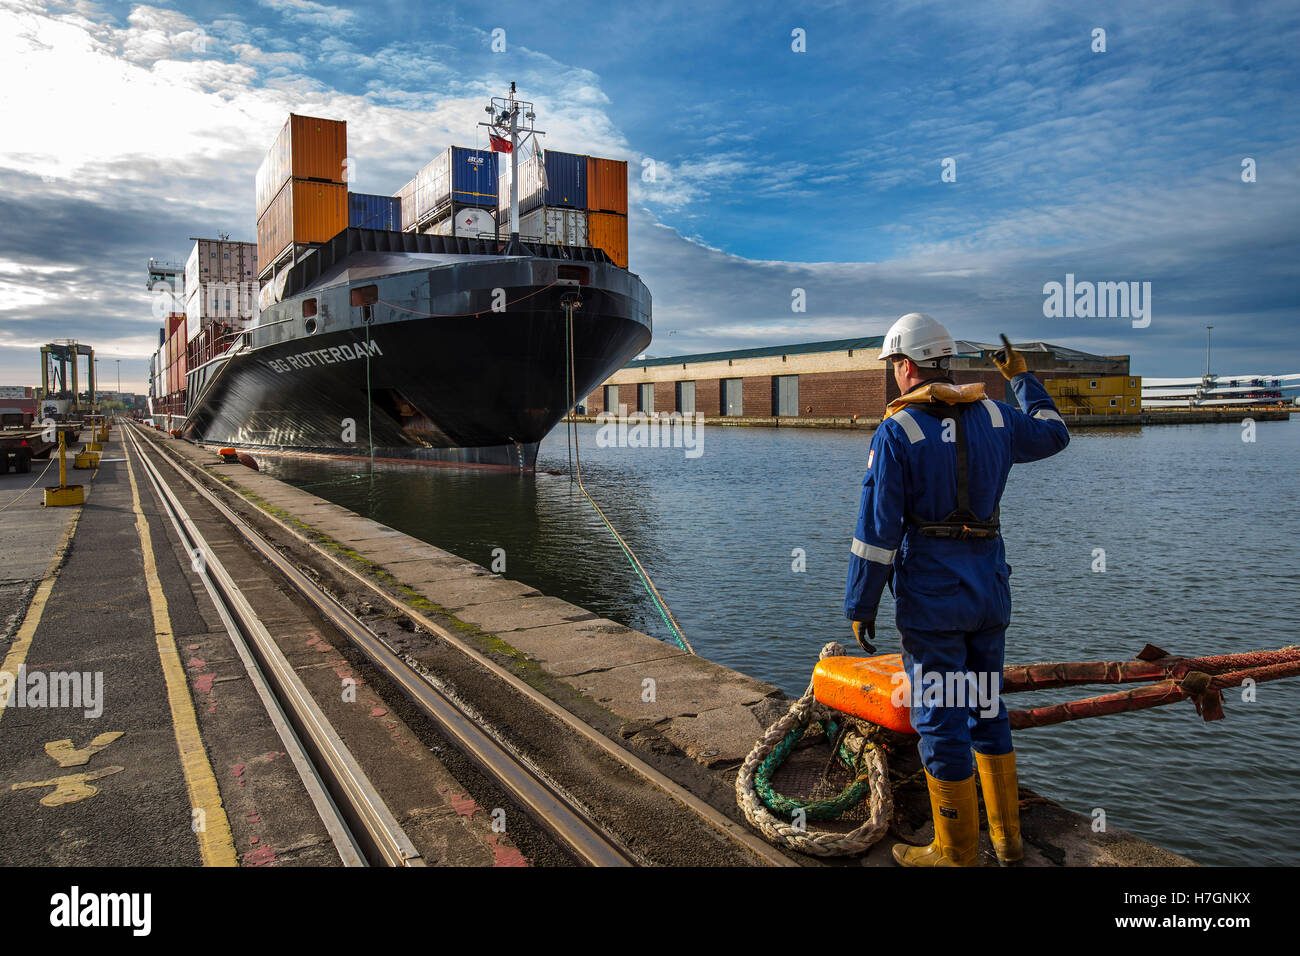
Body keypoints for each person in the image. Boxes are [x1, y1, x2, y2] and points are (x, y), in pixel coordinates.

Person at [844, 313, 1069, 866]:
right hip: (989, 587)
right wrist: (1022, 377)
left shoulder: (897, 431)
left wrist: (861, 602)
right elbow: (1055, 432)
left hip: (933, 594)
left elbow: (877, 533)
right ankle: (1009, 840)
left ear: (907, 365)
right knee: (985, 706)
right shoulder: (996, 416)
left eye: (893, 363)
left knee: (940, 717)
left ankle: (954, 851)